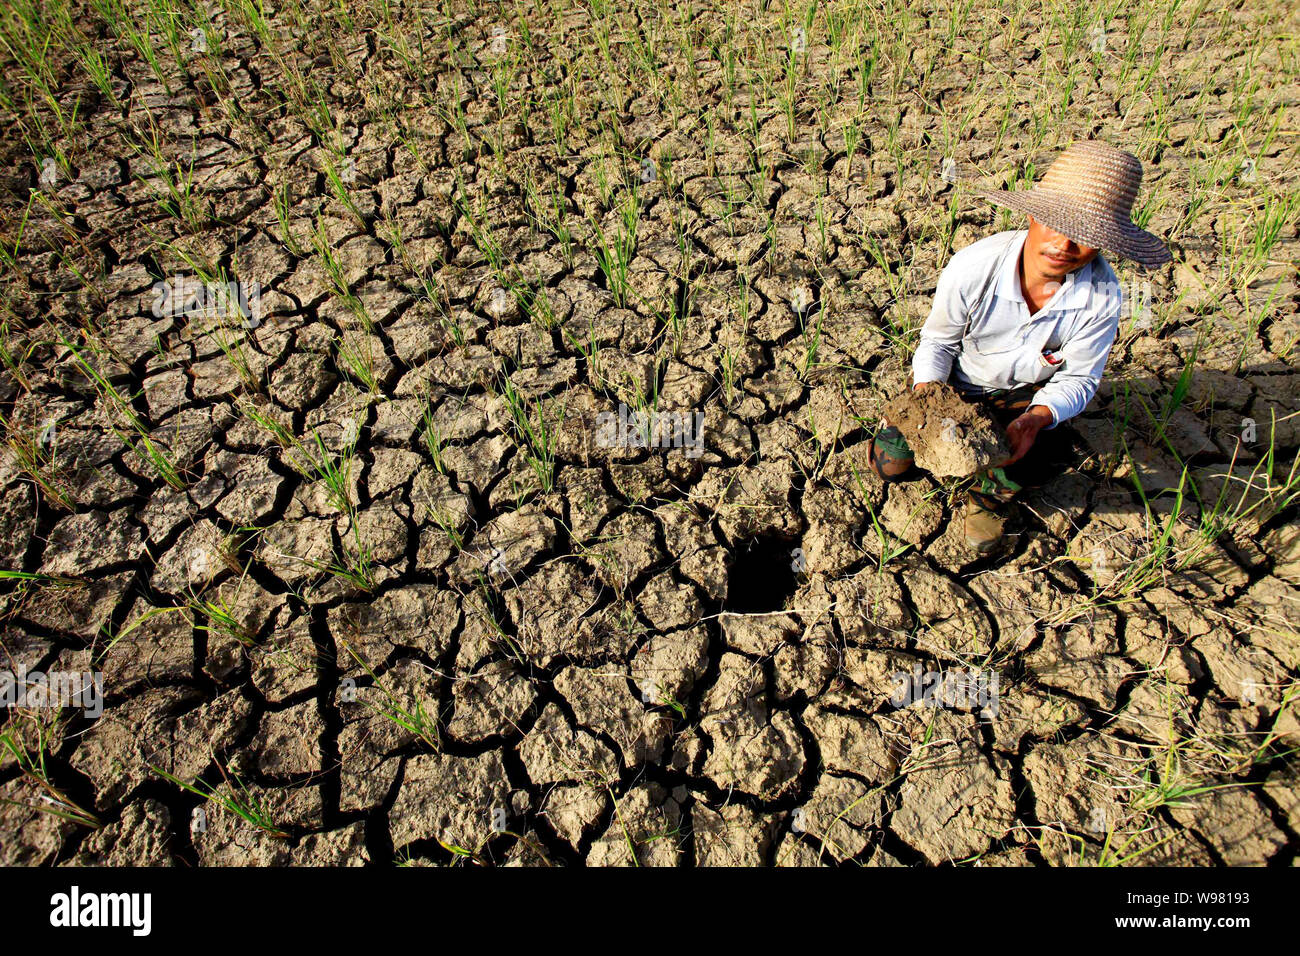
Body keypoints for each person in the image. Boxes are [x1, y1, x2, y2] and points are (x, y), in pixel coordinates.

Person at [869, 140, 1172, 552]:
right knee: (890, 466)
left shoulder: (1102, 296)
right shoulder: (975, 268)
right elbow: (938, 343)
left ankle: (988, 498)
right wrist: (928, 403)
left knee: (1041, 456)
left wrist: (1035, 419)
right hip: (953, 388)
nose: (1064, 245)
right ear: (1033, 213)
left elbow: (1080, 378)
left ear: (1105, 242)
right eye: (1056, 222)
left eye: (1086, 235)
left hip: (1023, 398)